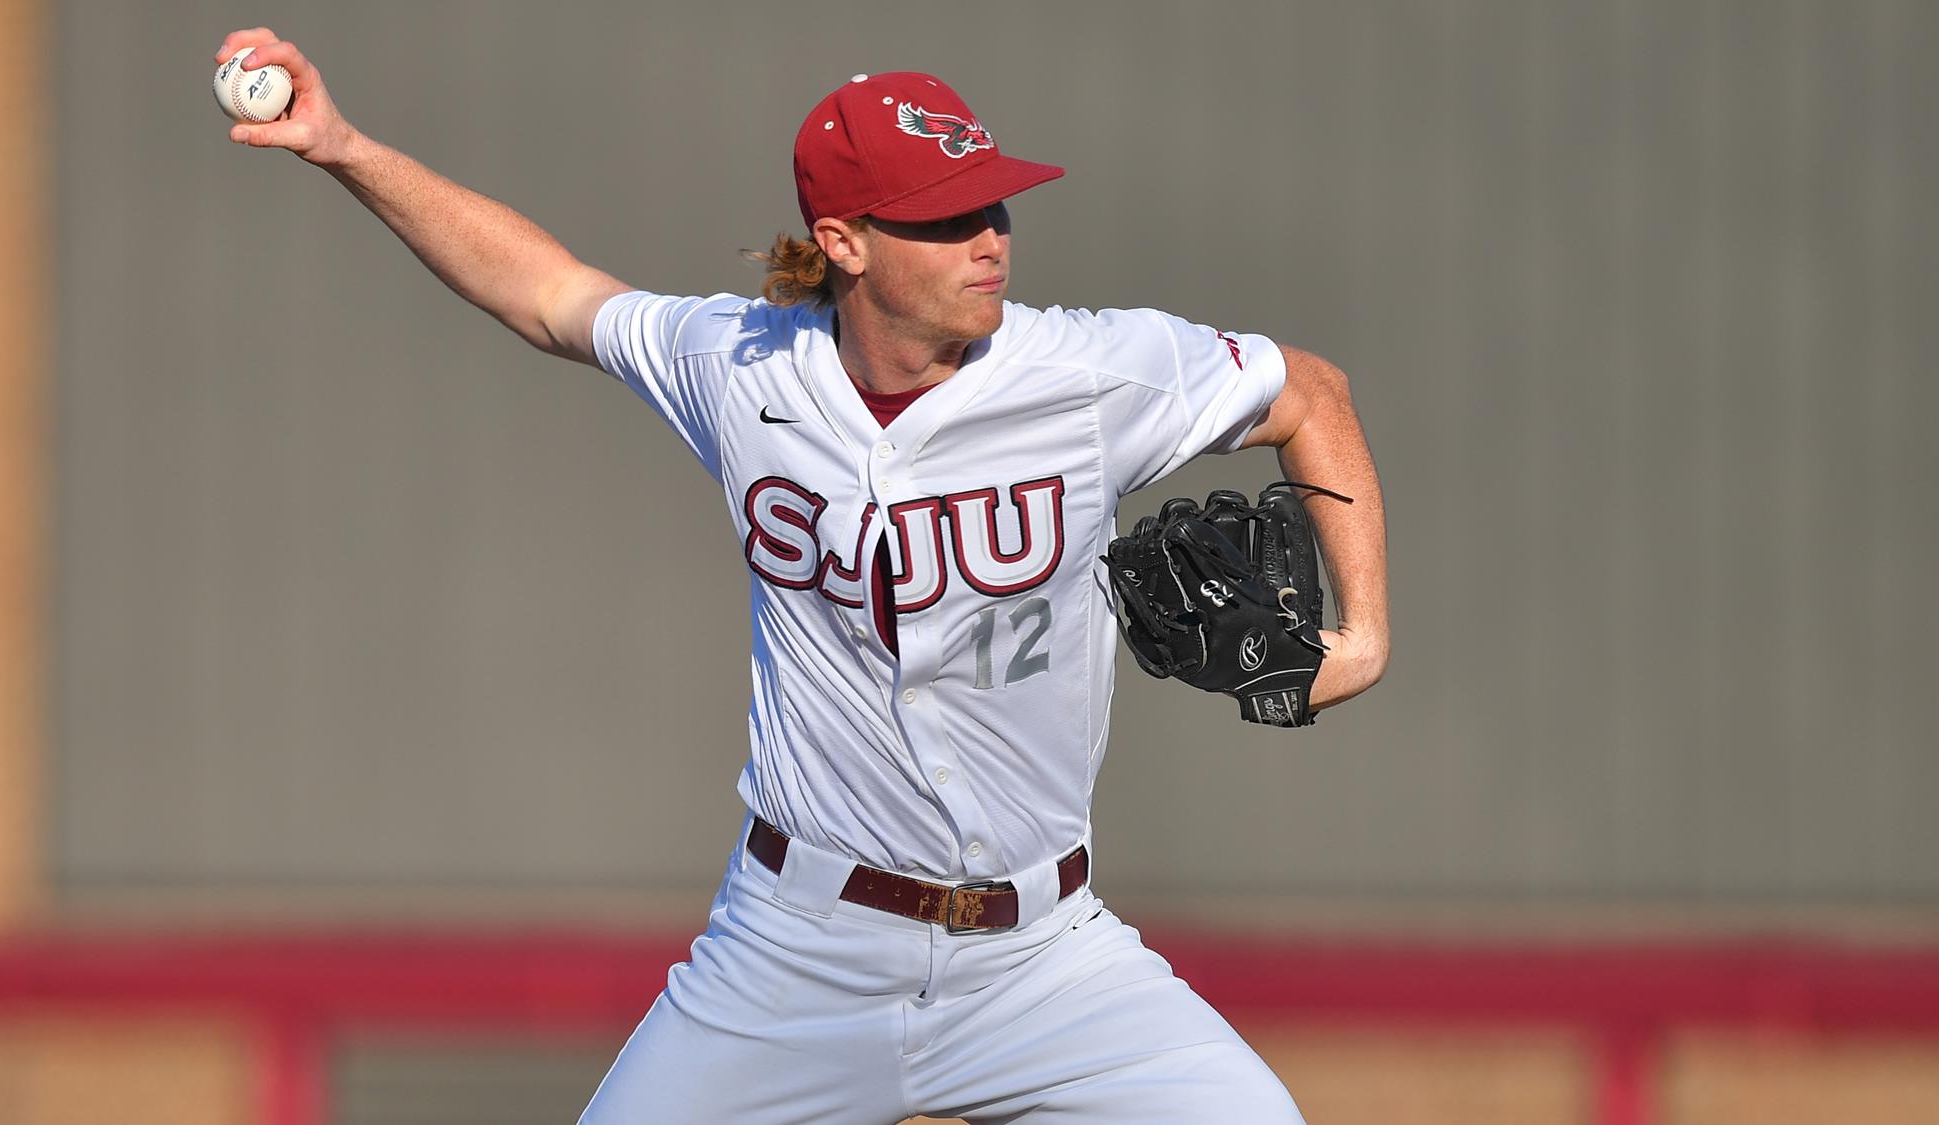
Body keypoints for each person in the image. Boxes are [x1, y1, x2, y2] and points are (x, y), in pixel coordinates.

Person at [216, 27, 1388, 1124]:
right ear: (844, 244)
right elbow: (547, 293)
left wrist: (1361, 638)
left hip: (1046, 960)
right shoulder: (736, 365)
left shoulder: (1087, 374)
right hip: (793, 953)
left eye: (990, 205)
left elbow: (1307, 393)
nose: (987, 239)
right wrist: (344, 148)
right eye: (940, 219)